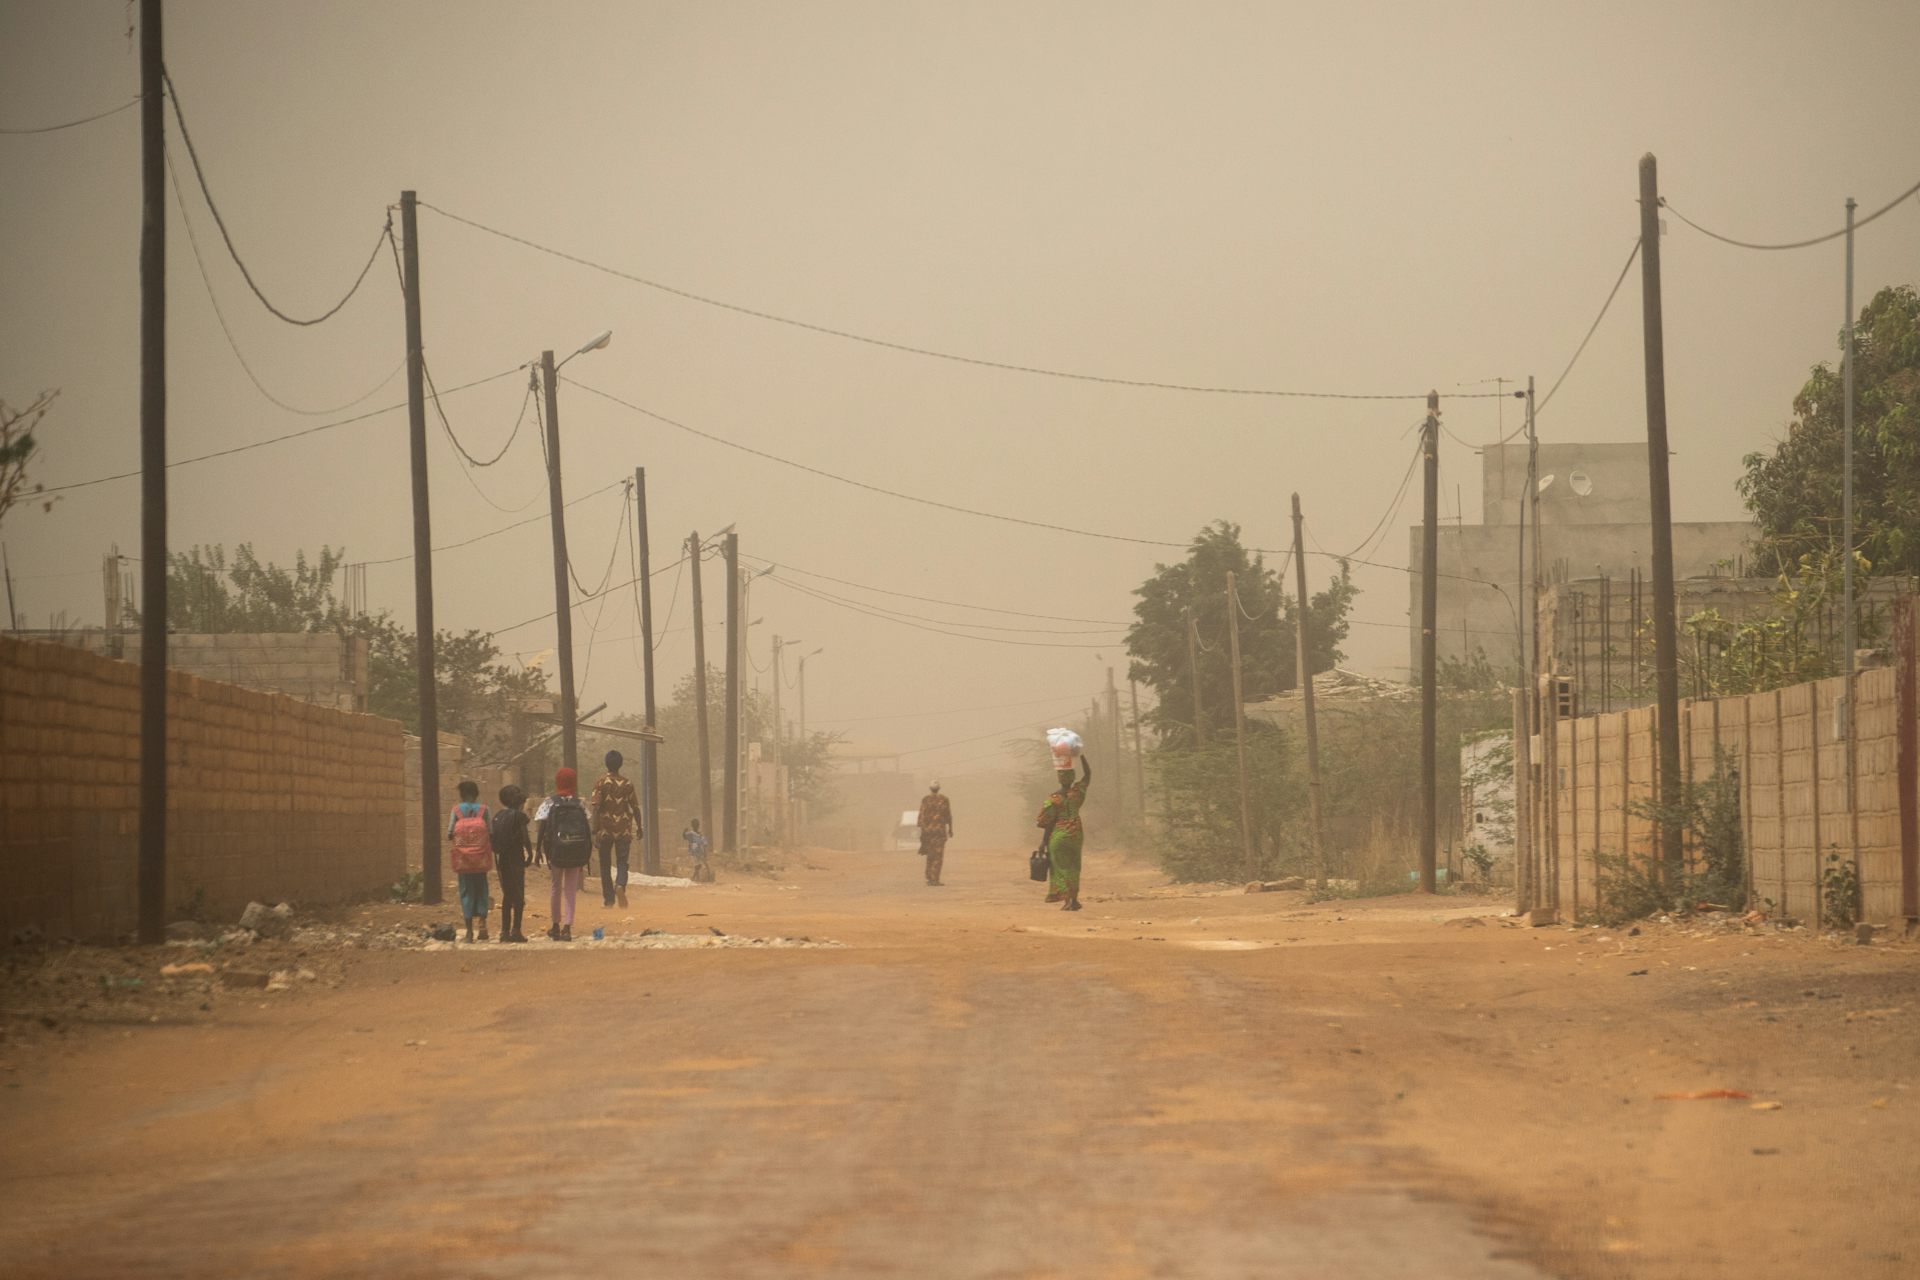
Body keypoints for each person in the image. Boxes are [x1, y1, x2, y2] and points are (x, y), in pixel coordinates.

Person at [535, 767, 594, 942]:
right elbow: (587, 829)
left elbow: (542, 828)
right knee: (570, 890)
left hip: (556, 852)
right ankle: (567, 928)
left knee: (555, 888)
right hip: (575, 852)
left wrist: (538, 851)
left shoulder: (549, 802)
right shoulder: (580, 804)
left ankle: (555, 926)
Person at [1037, 754, 1092, 911]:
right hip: (1076, 835)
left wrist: (1043, 842)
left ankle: (1067, 900)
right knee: (1075, 866)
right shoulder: (1078, 793)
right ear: (1073, 777)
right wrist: (1081, 754)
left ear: (1059, 778)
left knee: (1061, 868)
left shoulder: (1054, 799)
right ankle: (1074, 900)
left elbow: (1047, 823)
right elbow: (1088, 774)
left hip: (1059, 835)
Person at [590, 749, 641, 909]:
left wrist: (594, 829)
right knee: (622, 862)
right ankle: (620, 885)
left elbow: (596, 808)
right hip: (624, 828)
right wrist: (639, 826)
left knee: (605, 864)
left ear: (606, 764)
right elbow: (635, 807)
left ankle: (609, 900)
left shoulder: (601, 782)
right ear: (620, 764)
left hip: (605, 829)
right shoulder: (628, 783)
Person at [446, 780, 493, 942]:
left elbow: (450, 833)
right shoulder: (484, 809)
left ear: (461, 794)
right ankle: (482, 925)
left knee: (466, 892)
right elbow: (490, 832)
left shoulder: (456, 810)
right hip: (481, 860)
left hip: (463, 861)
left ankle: (469, 932)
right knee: (482, 890)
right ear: (476, 793)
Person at [489, 785, 533, 943]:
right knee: (519, 896)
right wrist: (530, 854)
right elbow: (525, 838)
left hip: (503, 860)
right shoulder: (519, 816)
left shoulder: (499, 814)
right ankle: (517, 930)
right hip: (516, 859)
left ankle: (504, 932)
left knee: (507, 895)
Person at [917, 781, 954, 887]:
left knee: (930, 854)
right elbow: (948, 815)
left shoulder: (925, 800)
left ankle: (929, 877)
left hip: (928, 832)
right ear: (939, 788)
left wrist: (922, 831)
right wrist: (950, 829)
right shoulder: (944, 799)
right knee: (938, 856)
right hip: (939, 832)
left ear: (930, 788)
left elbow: (921, 816)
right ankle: (935, 879)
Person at [682, 818, 713, 883]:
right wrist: (684, 831)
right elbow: (684, 837)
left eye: (696, 825)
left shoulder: (700, 835)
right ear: (693, 826)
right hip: (693, 853)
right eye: (694, 825)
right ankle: (694, 878)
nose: (696, 826)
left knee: (701, 865)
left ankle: (697, 878)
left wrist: (704, 853)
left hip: (699, 853)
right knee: (698, 866)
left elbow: (704, 844)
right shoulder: (691, 834)